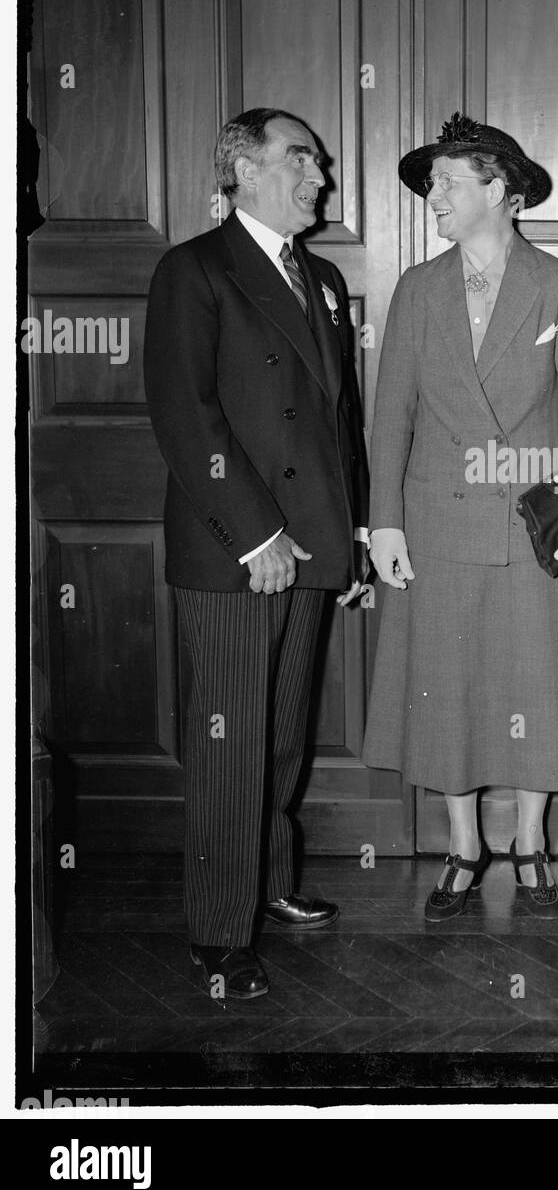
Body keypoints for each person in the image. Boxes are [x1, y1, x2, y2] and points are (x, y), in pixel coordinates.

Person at [361, 113, 558, 919]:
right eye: (431, 184)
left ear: (499, 191)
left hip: (533, 527)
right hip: (435, 524)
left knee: (535, 689)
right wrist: (384, 522)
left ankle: (529, 841)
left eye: (447, 182)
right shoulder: (416, 288)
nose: (432, 195)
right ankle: (464, 846)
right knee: (448, 690)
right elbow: (389, 414)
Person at [143, 108, 369, 999]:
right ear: (240, 168)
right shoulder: (193, 269)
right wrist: (258, 535)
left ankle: (270, 882)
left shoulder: (317, 278)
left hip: (310, 543)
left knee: (277, 734)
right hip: (239, 550)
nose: (318, 175)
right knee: (230, 739)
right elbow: (185, 417)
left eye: (318, 159)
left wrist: (346, 532)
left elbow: (331, 422)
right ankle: (217, 931)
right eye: (299, 158)